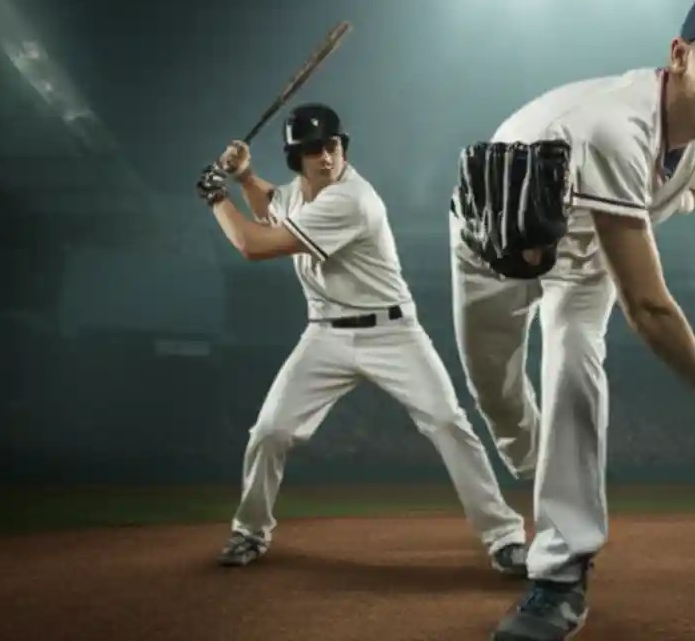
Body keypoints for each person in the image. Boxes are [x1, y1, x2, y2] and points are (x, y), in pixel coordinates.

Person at [447, 0, 695, 640]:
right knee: (494, 388)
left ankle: (560, 574)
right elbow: (649, 307)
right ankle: (540, 467)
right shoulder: (619, 127)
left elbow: (685, 182)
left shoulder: (691, 144)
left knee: (574, 363)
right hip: (492, 237)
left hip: (587, 248)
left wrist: (688, 192)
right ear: (679, 55)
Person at [195, 102, 529, 577]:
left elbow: (254, 245)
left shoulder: (351, 198)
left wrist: (215, 198)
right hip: (325, 334)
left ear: (342, 146)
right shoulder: (298, 194)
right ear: (297, 157)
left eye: (331, 145)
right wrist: (246, 177)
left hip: (393, 333)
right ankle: (249, 530)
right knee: (270, 432)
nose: (326, 156)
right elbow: (272, 206)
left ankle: (505, 537)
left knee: (448, 423)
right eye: (313, 149)